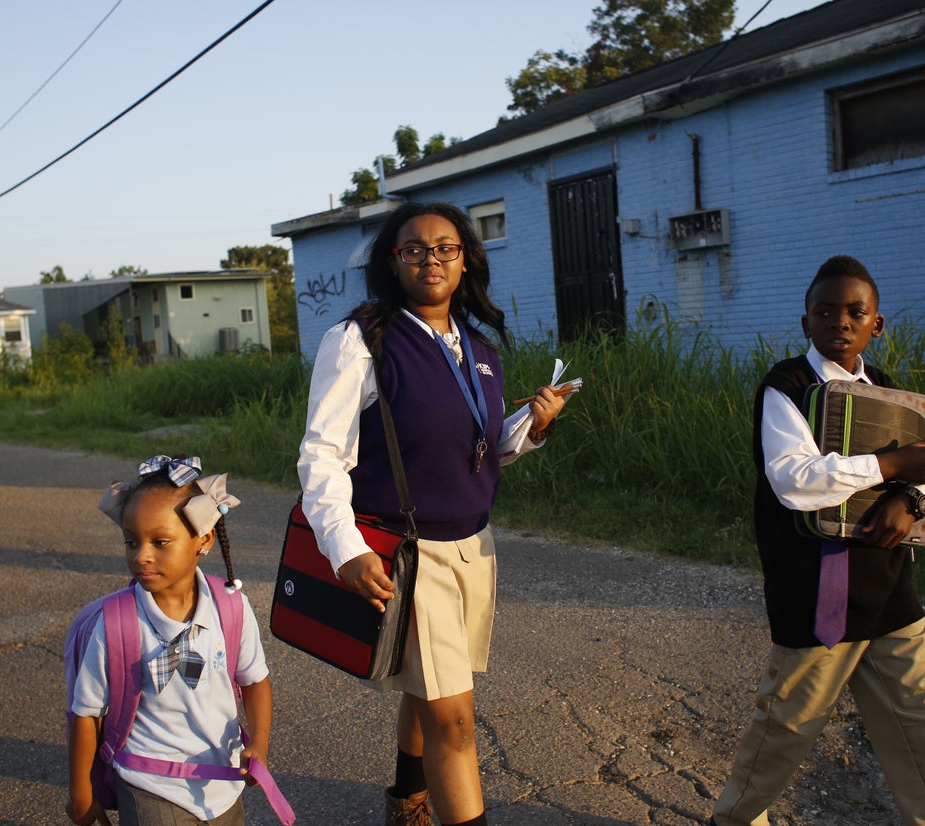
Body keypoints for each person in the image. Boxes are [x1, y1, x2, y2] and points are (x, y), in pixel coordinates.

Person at [297, 201, 567, 826]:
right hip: (411, 554)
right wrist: (346, 548)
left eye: (445, 247)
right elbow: (321, 455)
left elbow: (479, 448)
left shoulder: (480, 349)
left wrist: (532, 427)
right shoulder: (362, 339)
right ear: (393, 263)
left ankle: (405, 799)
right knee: (457, 722)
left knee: (431, 686)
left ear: (465, 258)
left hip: (476, 547)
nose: (431, 259)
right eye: (413, 249)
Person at [711, 256, 925, 825]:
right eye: (825, 311)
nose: (839, 321)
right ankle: (734, 821)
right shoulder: (787, 386)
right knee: (787, 728)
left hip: (890, 590)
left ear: (877, 325)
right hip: (819, 595)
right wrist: (891, 465)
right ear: (805, 323)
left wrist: (915, 499)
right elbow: (793, 479)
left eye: (855, 312)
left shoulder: (893, 397)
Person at [67, 455, 274, 826]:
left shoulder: (231, 608)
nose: (142, 556)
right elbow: (86, 714)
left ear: (203, 539)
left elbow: (254, 679)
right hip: (149, 785)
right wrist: (81, 792)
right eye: (131, 542)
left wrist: (259, 743)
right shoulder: (115, 624)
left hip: (222, 785)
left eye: (160, 542)